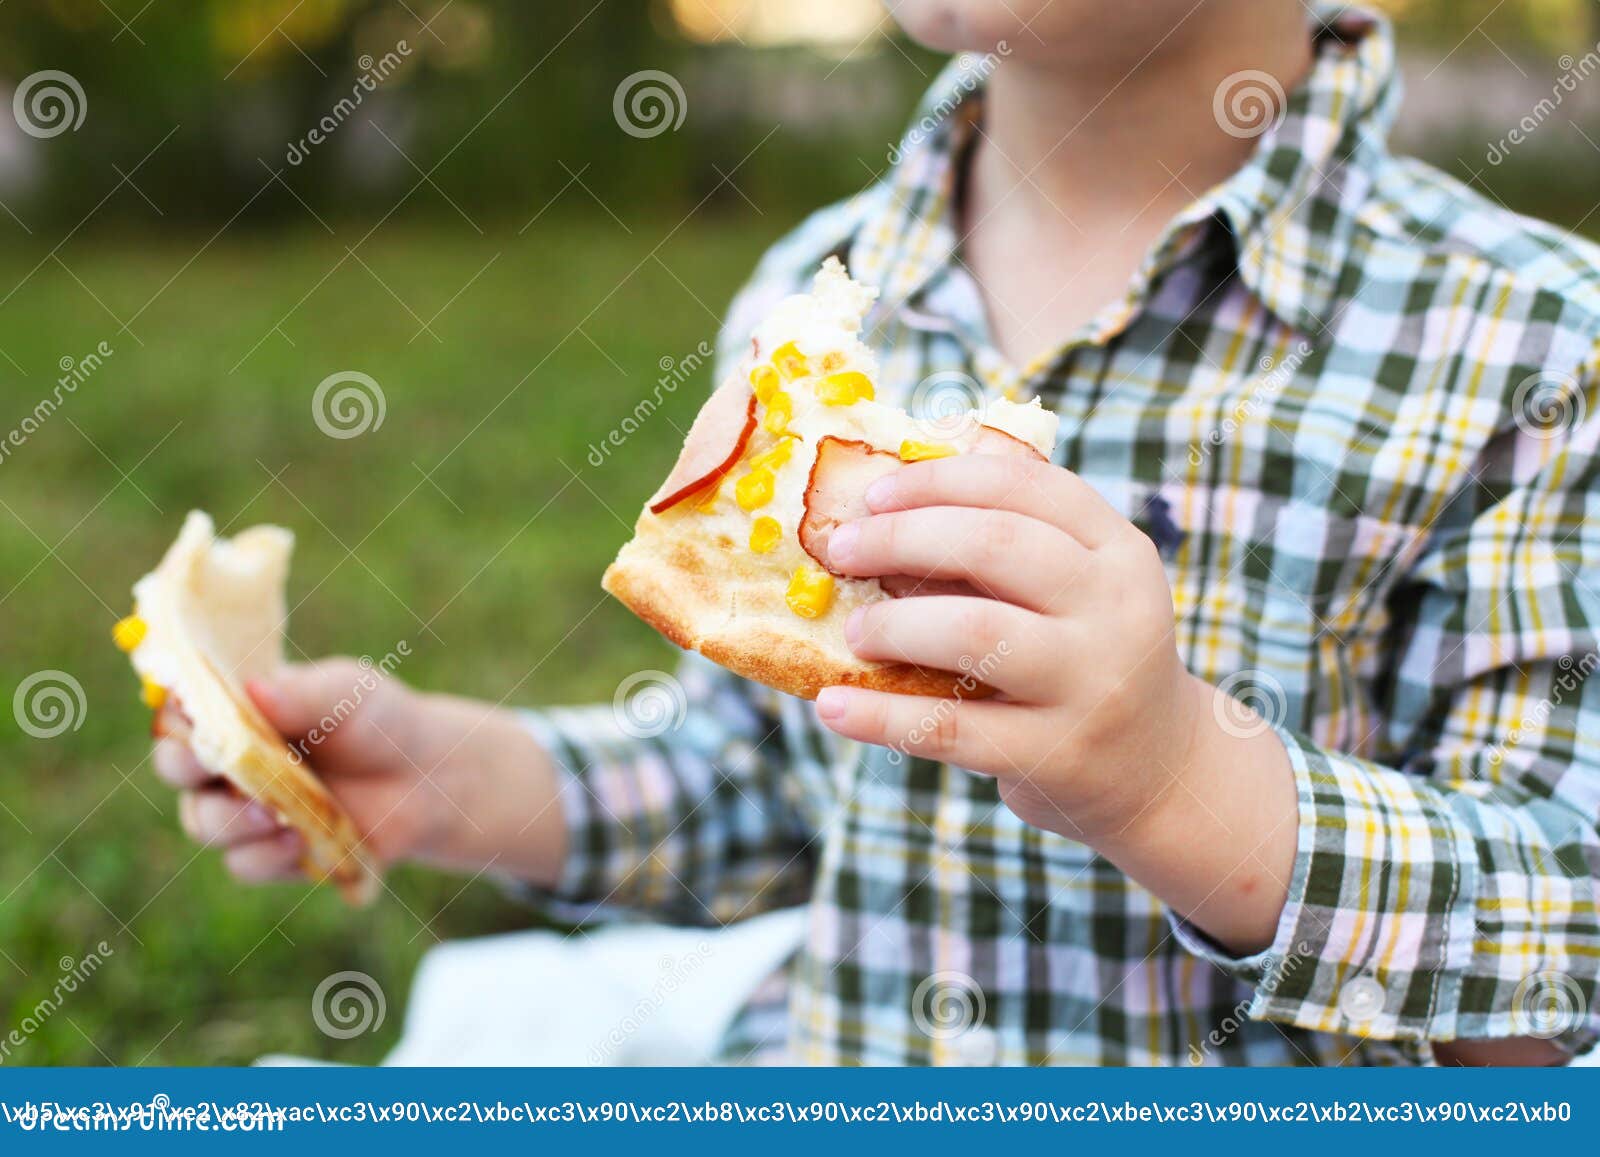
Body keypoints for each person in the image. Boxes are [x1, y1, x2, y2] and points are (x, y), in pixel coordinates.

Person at [154, 1, 1600, 1065]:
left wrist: (1172, 781)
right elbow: (768, 782)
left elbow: (1563, 935)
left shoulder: (1531, 347)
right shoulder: (814, 304)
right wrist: (459, 780)